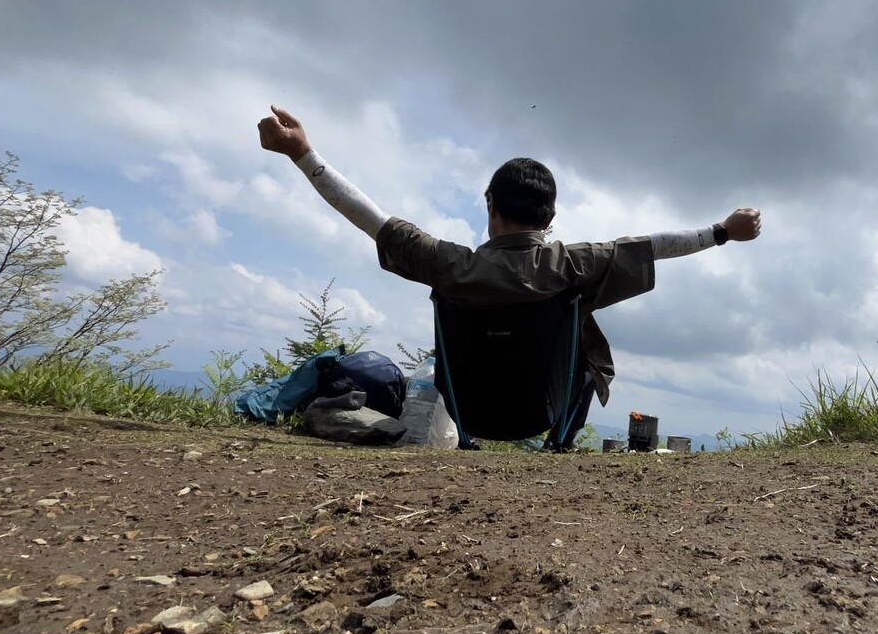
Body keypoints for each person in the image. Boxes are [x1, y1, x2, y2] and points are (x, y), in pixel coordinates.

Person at [257, 105, 761, 448]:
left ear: (491, 204)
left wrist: (303, 153)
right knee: (587, 351)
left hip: (468, 411)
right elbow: (655, 246)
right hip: (541, 413)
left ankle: (468, 442)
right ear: (550, 219)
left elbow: (373, 219)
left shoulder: (450, 265)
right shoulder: (575, 264)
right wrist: (722, 232)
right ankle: (559, 445)